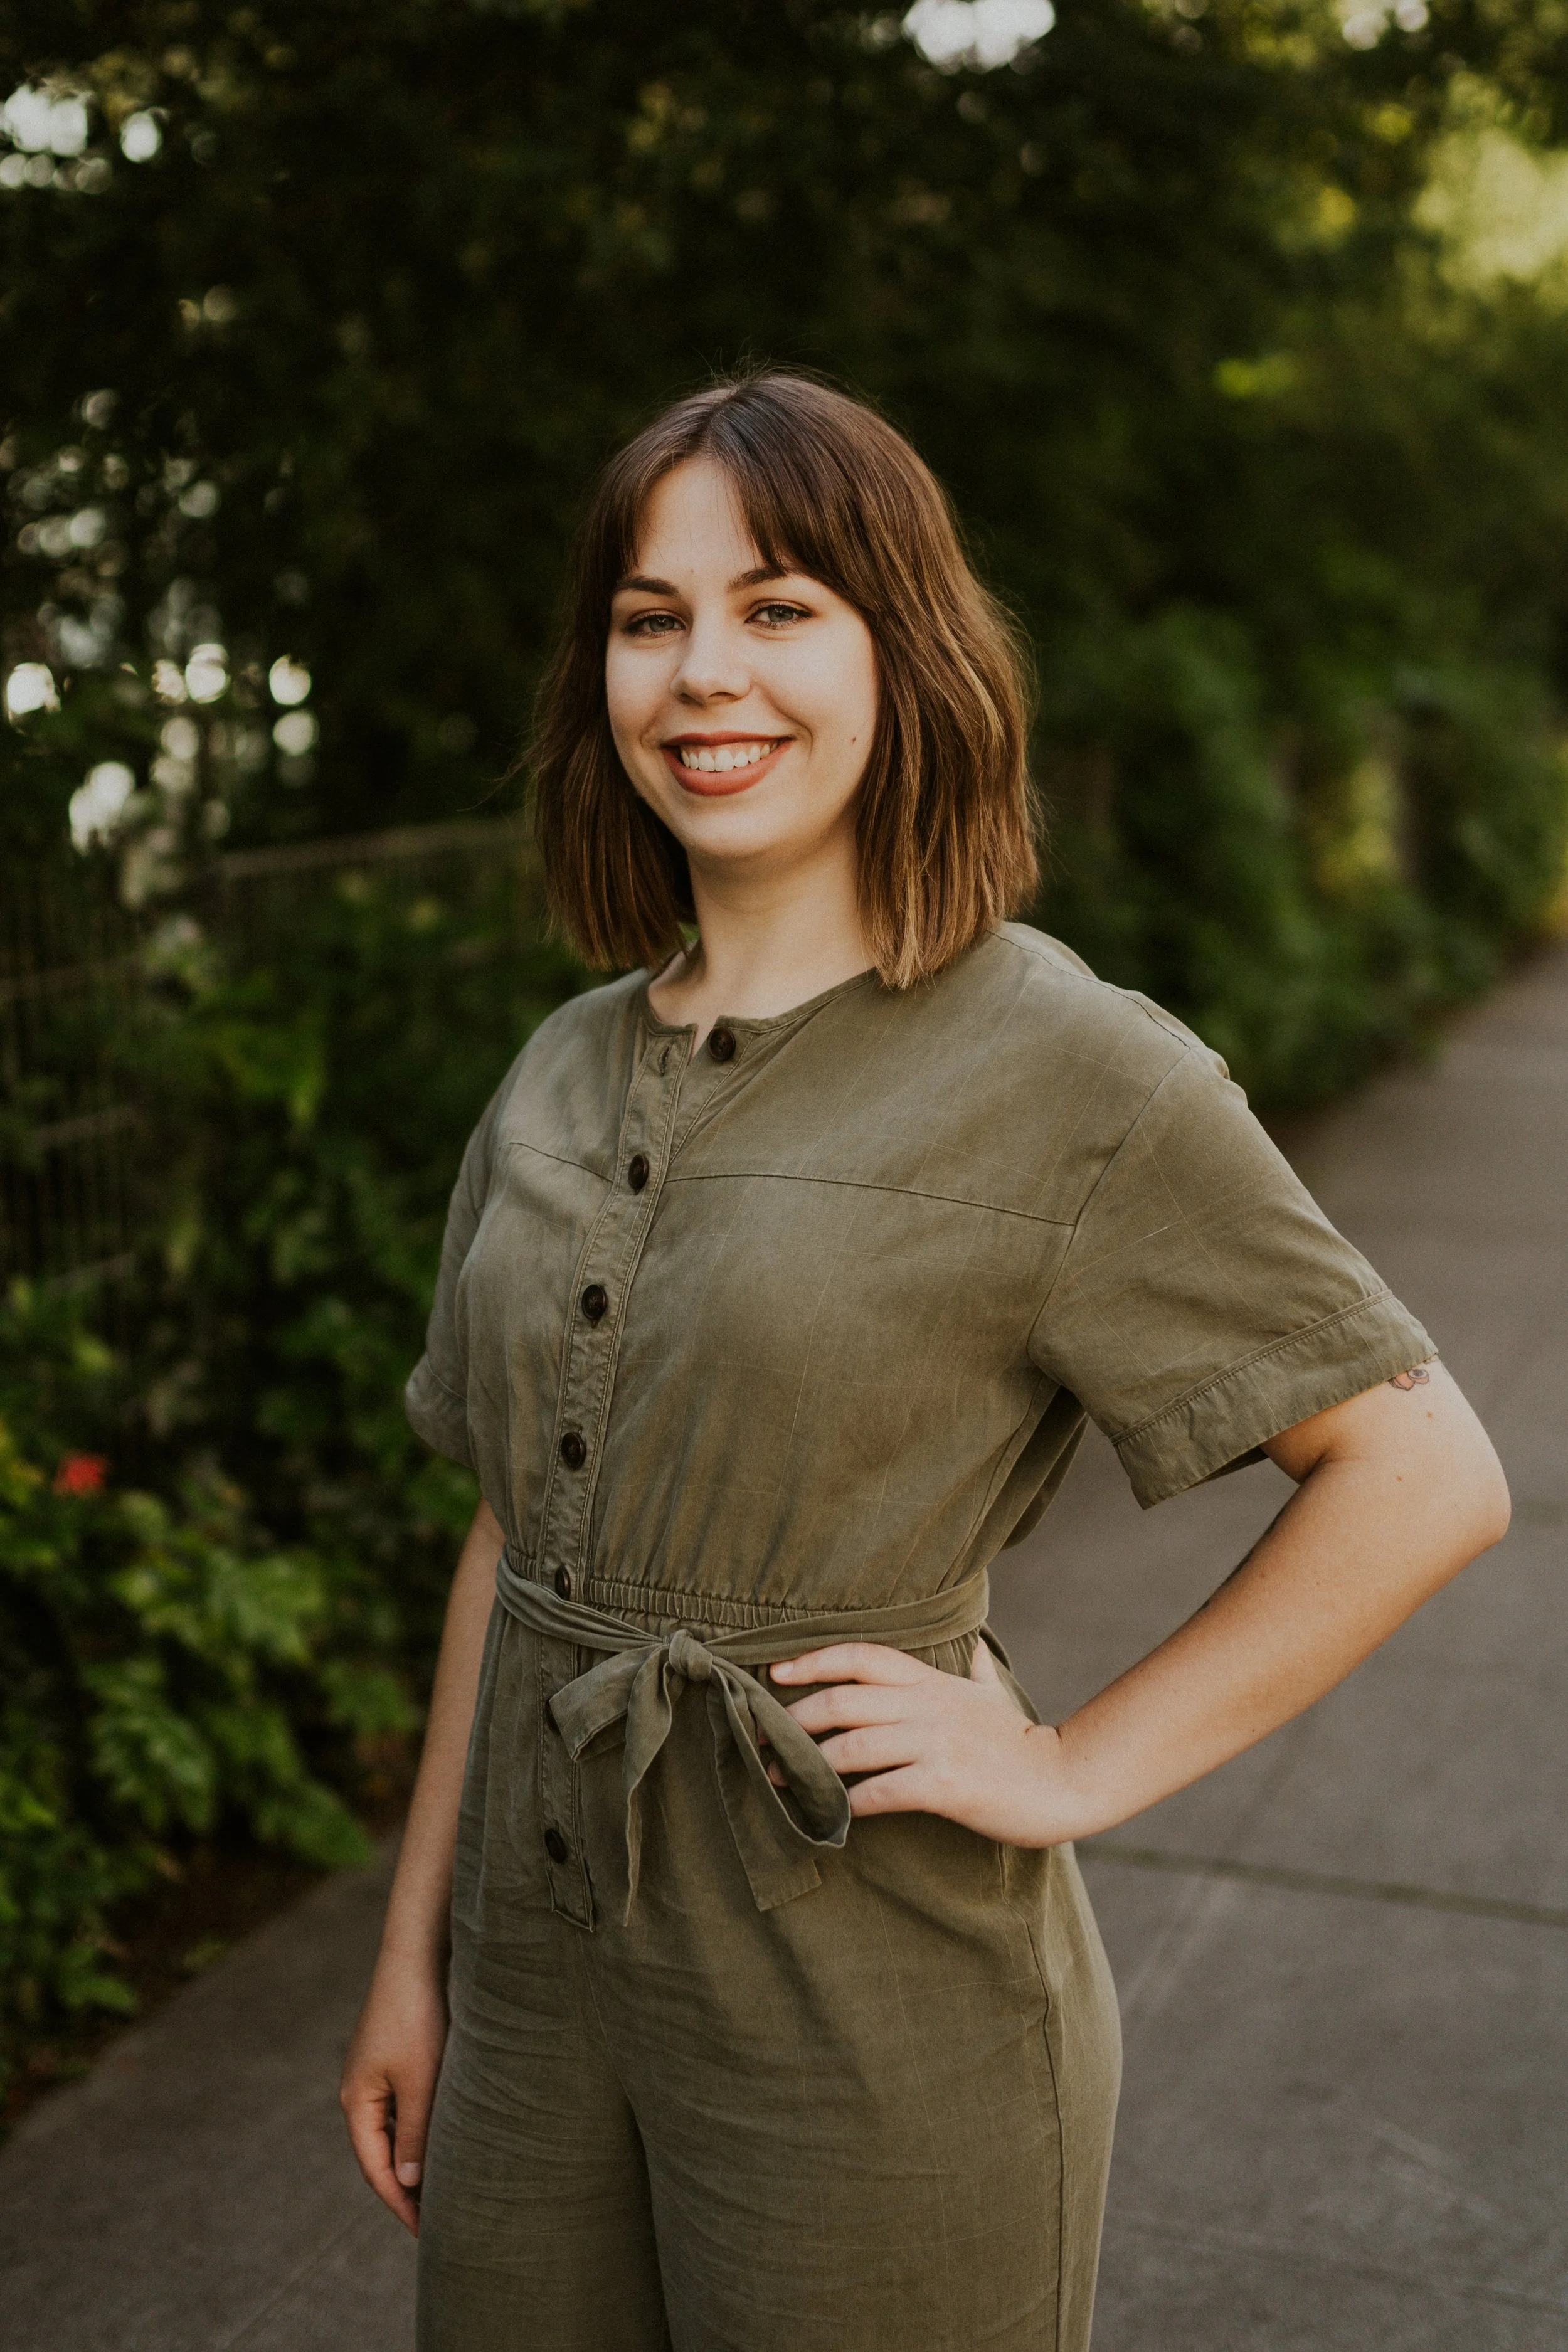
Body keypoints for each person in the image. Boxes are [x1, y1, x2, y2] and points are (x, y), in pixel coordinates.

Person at [340, 372, 1510, 2352]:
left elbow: (1424, 1470)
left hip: (867, 2001)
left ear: (902, 649)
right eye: (649, 616)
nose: (704, 671)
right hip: (532, 1979)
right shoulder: (555, 1067)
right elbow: (507, 1538)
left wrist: (1067, 1759)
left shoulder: (1070, 1065)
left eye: (778, 605)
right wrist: (413, 1959)